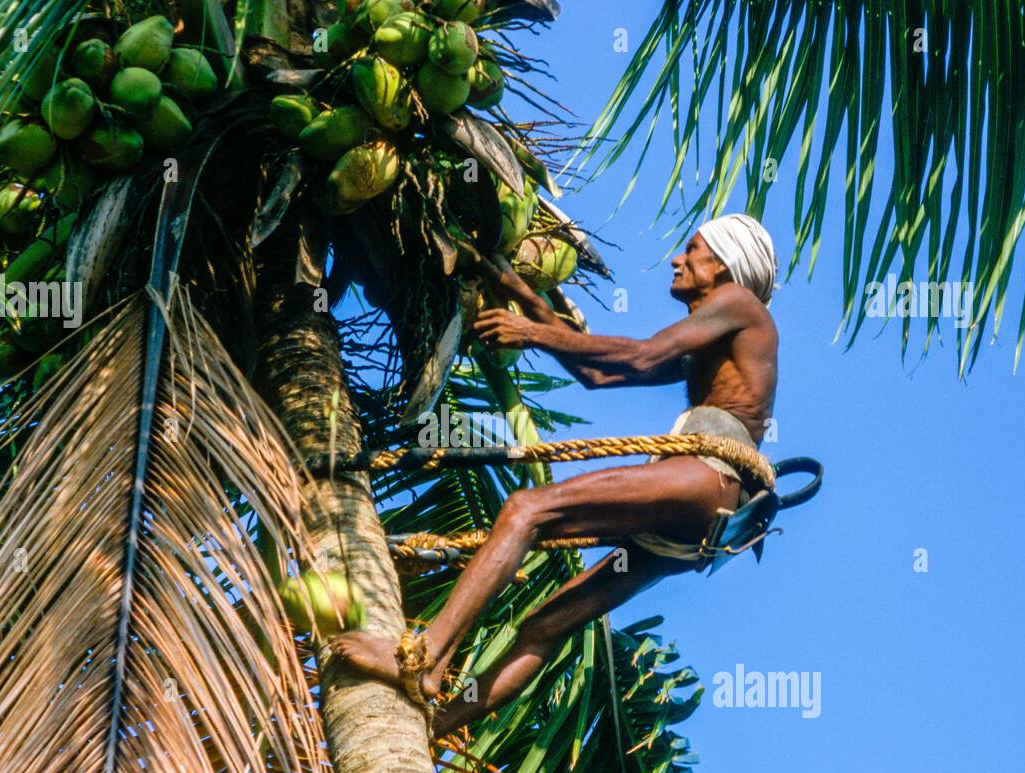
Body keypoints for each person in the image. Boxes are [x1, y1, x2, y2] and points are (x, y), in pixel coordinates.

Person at [331, 213, 780, 738]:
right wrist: (511, 285)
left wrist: (529, 331)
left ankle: (424, 656)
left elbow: (639, 356)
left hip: (707, 480)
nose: (678, 260)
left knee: (525, 509)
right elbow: (598, 374)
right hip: (697, 533)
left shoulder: (740, 304)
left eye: (692, 248)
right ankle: (436, 727)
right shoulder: (718, 340)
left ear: (724, 264)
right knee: (546, 625)